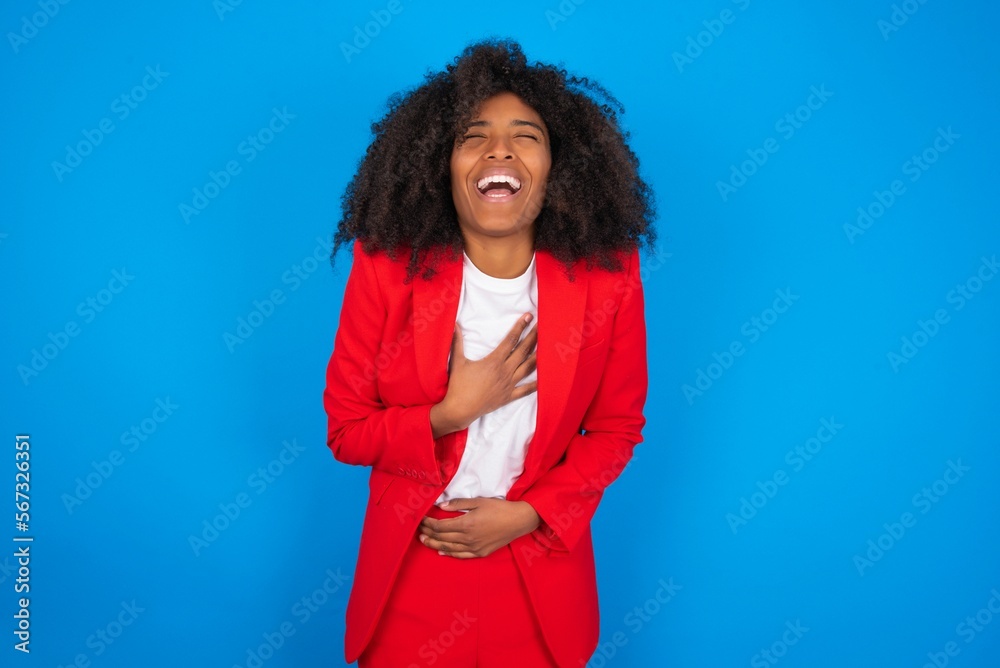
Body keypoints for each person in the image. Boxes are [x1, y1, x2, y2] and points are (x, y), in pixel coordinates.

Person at [323, 38, 656, 667]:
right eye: (473, 135)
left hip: (538, 576)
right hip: (412, 576)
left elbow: (616, 428)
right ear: (439, 164)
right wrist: (449, 411)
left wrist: (531, 514)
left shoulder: (609, 278)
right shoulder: (384, 270)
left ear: (560, 167)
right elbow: (346, 431)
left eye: (525, 135)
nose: (499, 149)